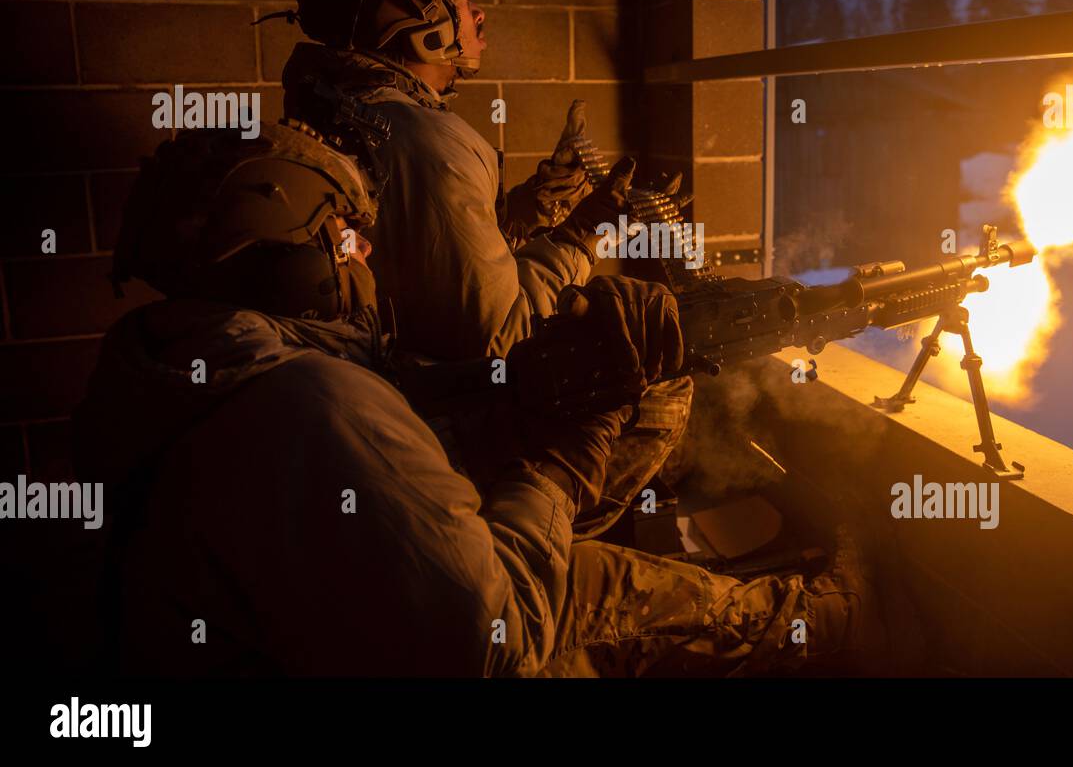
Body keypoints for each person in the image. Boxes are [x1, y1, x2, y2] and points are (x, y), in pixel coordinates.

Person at [73, 123, 886, 676]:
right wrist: (563, 460)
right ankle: (833, 624)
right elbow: (495, 638)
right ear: (283, 249)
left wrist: (511, 401)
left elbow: (384, 445)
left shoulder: (161, 356)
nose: (364, 260)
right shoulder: (308, 400)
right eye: (348, 237)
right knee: (600, 586)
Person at [273, 0, 692, 538]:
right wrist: (583, 235)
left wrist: (541, 204)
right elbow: (501, 345)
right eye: (461, 0)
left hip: (362, 409)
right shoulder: (426, 140)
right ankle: (542, 560)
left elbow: (421, 257)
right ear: (423, 22)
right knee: (662, 375)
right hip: (428, 432)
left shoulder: (345, 108)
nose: (477, 15)